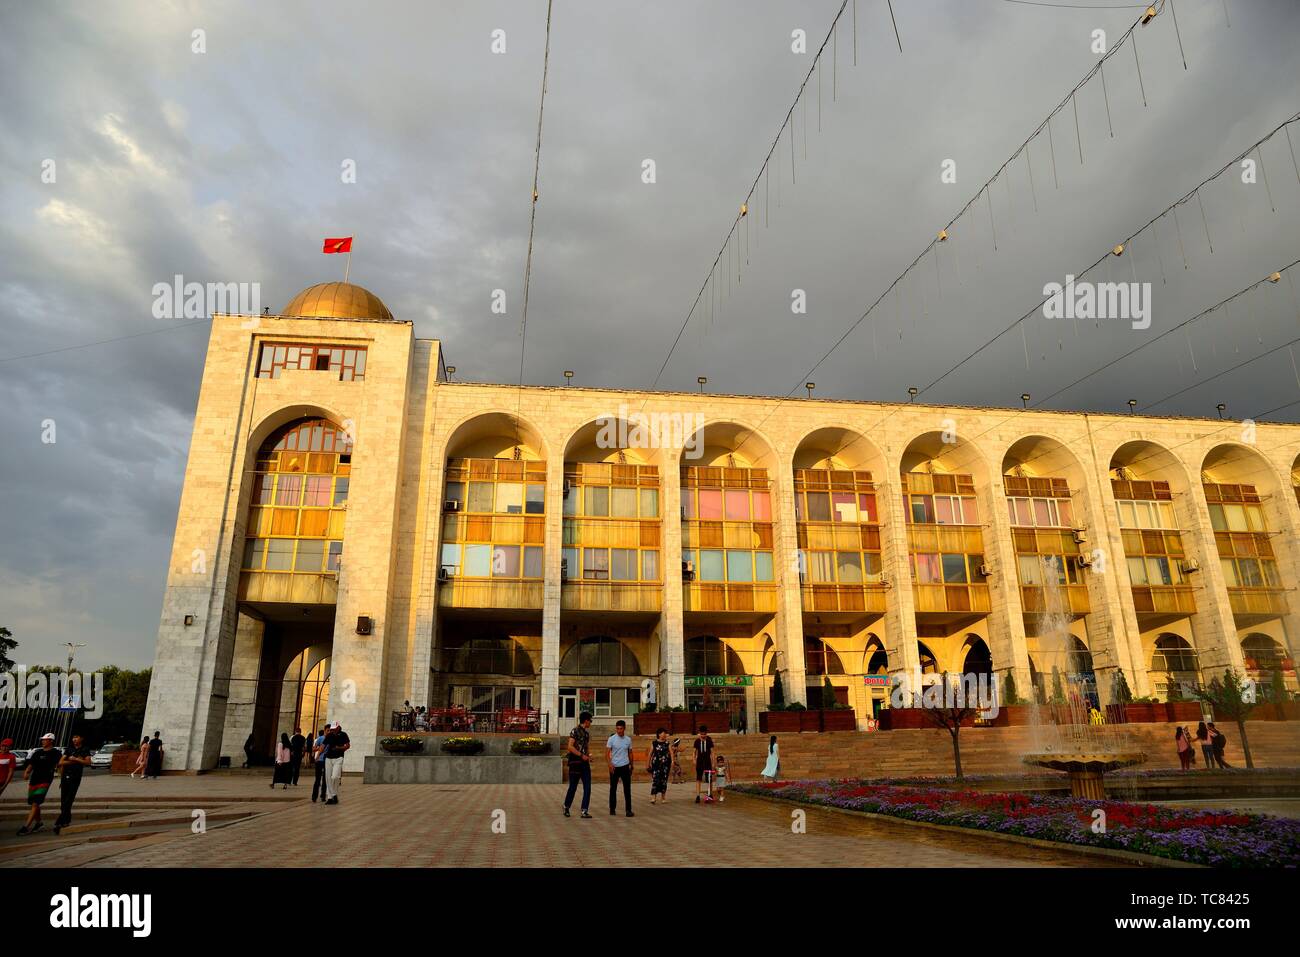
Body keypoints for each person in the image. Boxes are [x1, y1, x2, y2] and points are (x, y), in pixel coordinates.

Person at [18, 733, 61, 835]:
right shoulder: (37, 752)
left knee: (35, 803)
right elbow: (31, 764)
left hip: (45, 780)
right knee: (33, 802)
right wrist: (26, 772)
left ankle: (26, 827)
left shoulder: (55, 753)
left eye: (45, 740)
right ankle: (39, 823)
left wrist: (61, 777)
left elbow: (60, 765)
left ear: (51, 741)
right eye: (42, 740)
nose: (43, 741)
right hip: (34, 780)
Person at [53, 733, 93, 835]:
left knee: (69, 799)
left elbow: (88, 762)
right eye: (73, 737)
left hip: (75, 777)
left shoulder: (85, 749)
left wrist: (75, 759)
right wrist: (76, 761)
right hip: (65, 777)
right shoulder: (69, 749)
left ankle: (60, 822)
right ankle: (66, 820)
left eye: (77, 737)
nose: (74, 739)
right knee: (63, 800)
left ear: (81, 738)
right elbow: (61, 762)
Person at [562, 711, 593, 818]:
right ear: (586, 720)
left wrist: (588, 755)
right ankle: (566, 806)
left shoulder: (586, 734)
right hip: (575, 762)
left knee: (588, 787)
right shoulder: (575, 731)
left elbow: (586, 747)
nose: (591, 723)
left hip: (584, 763)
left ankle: (584, 810)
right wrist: (581, 755)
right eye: (590, 720)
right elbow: (570, 747)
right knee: (573, 787)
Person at [606, 719, 634, 817]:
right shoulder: (612, 739)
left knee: (627, 789)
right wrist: (610, 764)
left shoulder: (628, 740)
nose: (619, 730)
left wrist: (631, 764)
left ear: (624, 728)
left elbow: (630, 753)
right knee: (613, 788)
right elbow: (607, 752)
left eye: (621, 729)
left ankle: (628, 810)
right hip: (615, 767)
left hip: (625, 766)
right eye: (617, 729)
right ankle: (612, 809)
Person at [323, 721, 350, 804]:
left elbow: (348, 745)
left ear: (338, 727)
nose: (333, 730)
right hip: (328, 758)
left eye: (334, 729)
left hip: (338, 758)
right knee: (328, 777)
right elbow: (323, 745)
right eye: (332, 729)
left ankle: (334, 794)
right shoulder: (329, 735)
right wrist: (317, 755)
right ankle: (330, 797)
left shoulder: (343, 734)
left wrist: (339, 748)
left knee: (335, 777)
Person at [647, 728, 671, 805]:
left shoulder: (667, 743)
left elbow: (671, 753)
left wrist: (673, 761)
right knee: (655, 780)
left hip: (665, 765)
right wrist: (648, 763)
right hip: (656, 764)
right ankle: (653, 797)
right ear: (659, 734)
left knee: (664, 780)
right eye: (663, 733)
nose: (664, 735)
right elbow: (650, 754)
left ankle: (663, 797)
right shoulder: (654, 743)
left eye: (665, 734)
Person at [693, 725, 715, 804]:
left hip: (707, 762)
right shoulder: (697, 741)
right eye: (701, 734)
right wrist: (694, 759)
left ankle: (709, 794)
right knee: (698, 778)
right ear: (699, 733)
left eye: (704, 734)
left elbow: (712, 752)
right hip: (699, 762)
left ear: (706, 733)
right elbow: (694, 751)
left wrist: (713, 762)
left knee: (709, 779)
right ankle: (698, 796)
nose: (703, 736)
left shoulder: (709, 741)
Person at [311, 726, 329, 803]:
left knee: (325, 779)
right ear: (325, 730)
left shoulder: (331, 739)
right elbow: (313, 749)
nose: (329, 732)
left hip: (327, 761)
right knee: (317, 779)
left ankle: (323, 796)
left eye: (330, 730)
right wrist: (320, 748)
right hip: (319, 760)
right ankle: (314, 796)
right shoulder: (320, 738)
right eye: (327, 730)